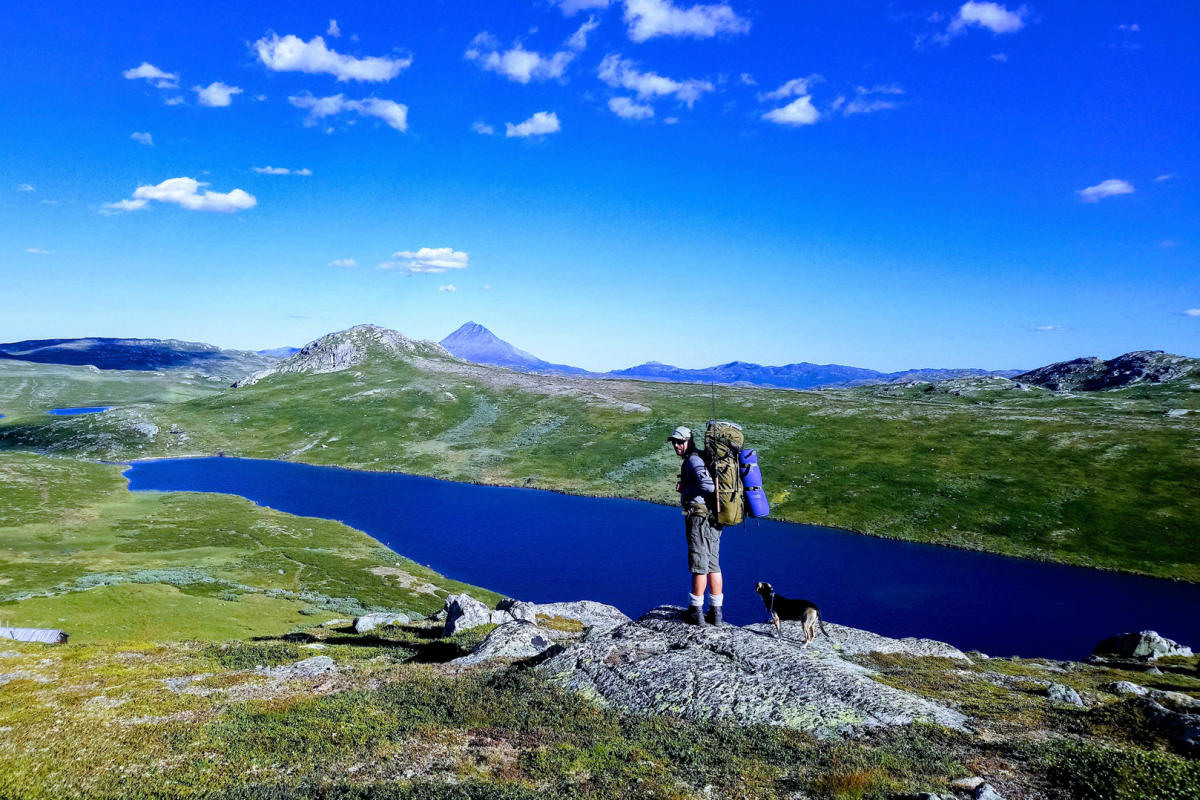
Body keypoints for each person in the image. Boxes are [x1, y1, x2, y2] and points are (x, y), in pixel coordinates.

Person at [668, 425, 723, 626]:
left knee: (699, 564)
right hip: (712, 519)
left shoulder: (693, 460)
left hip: (700, 519)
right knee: (712, 564)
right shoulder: (700, 457)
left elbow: (708, 485)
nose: (676, 445)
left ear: (689, 441)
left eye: (680, 442)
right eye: (674, 442)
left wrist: (686, 488)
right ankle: (716, 614)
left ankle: (696, 611)